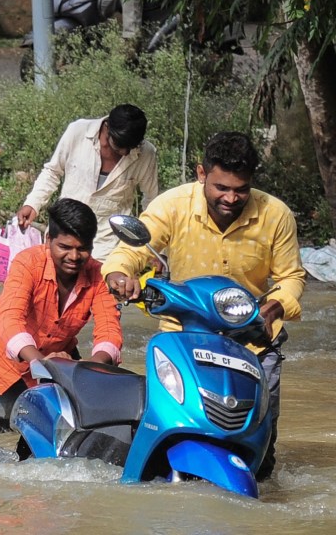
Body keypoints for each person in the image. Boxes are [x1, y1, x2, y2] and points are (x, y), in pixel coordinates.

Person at [102, 131, 306, 479]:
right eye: (221, 188)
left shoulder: (276, 215)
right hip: (183, 341)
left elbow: (292, 278)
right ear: (201, 174)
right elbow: (130, 252)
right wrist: (119, 275)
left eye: (240, 189)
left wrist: (272, 309)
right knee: (166, 429)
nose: (231, 197)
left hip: (253, 343)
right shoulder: (173, 205)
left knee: (261, 456)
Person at [0, 198, 124, 433]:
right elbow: (9, 319)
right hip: (5, 366)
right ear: (48, 241)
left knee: (58, 435)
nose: (74, 257)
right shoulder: (27, 263)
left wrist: (92, 367)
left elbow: (109, 328)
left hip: (59, 365)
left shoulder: (98, 275)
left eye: (82, 248)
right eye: (65, 247)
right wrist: (41, 362)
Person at [16, 104, 158, 261]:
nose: (125, 153)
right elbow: (52, 172)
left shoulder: (146, 153)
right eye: (119, 147)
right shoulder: (78, 132)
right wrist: (32, 204)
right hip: (64, 235)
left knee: (100, 284)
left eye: (131, 148)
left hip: (107, 244)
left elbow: (152, 200)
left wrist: (155, 247)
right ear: (107, 127)